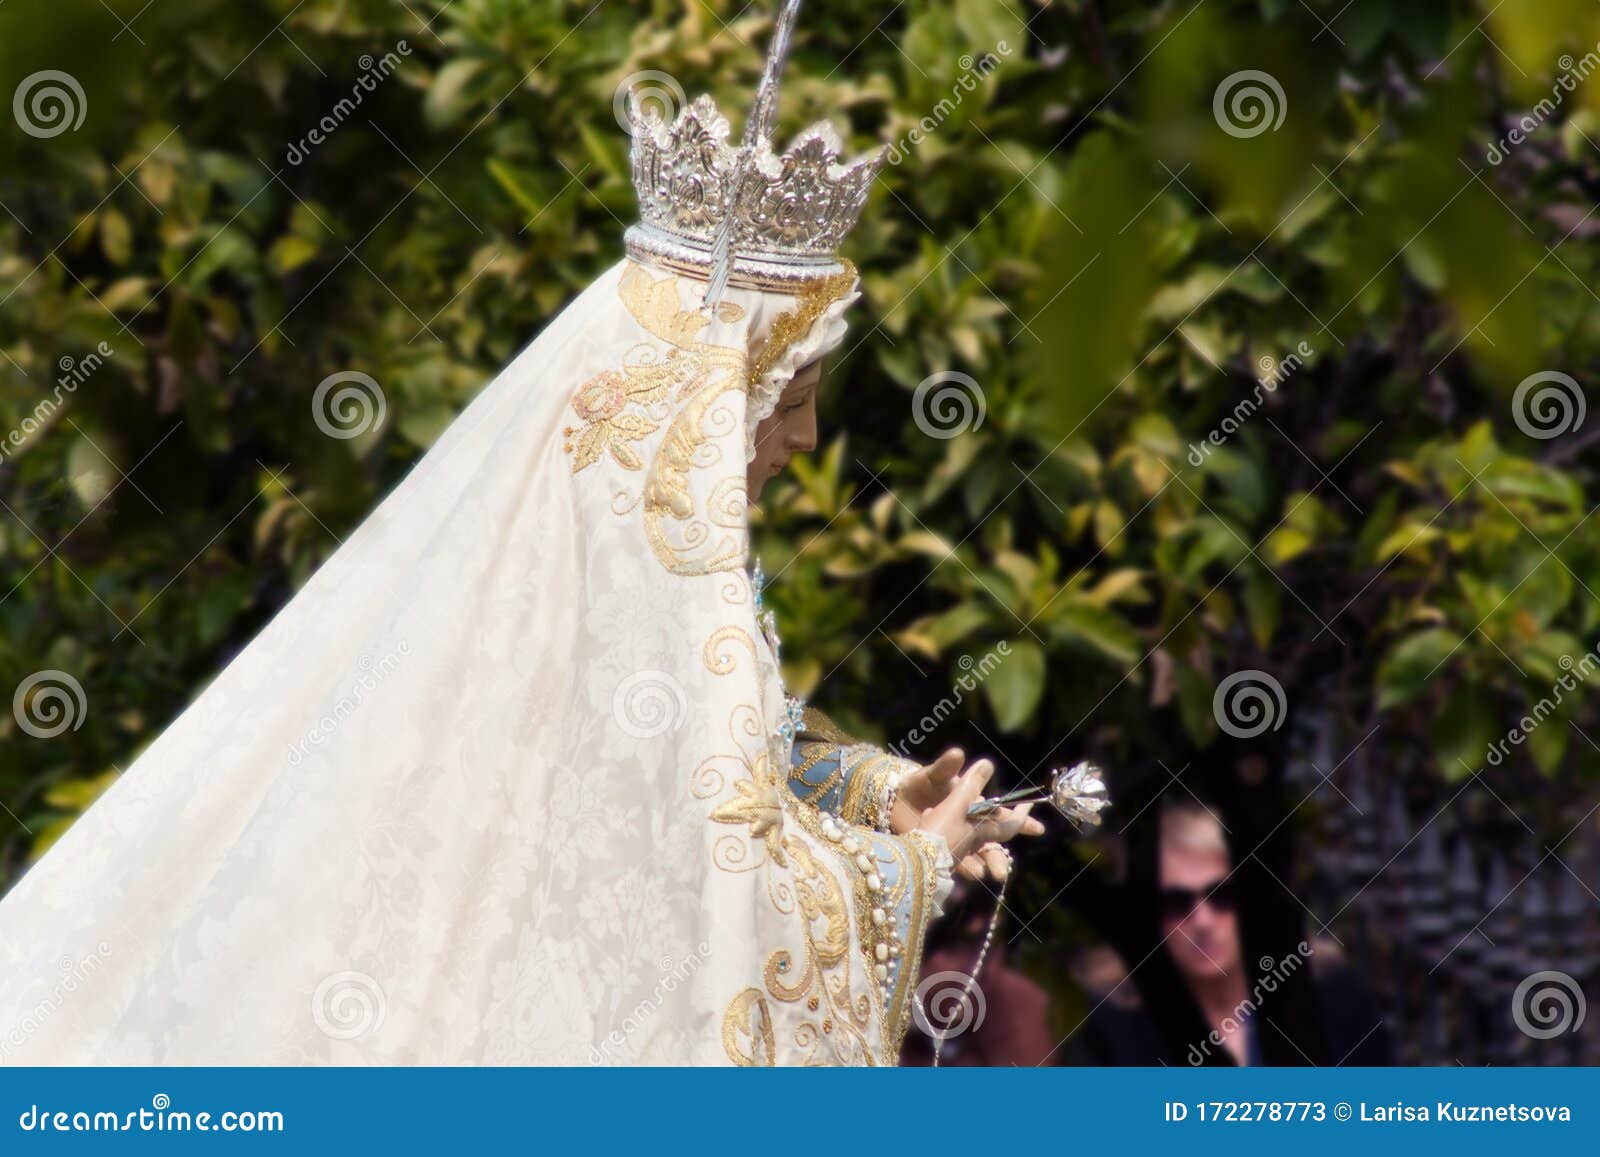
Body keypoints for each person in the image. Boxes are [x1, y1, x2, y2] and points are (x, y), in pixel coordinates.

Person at [0, 0, 1040, 1065]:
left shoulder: (628, 576)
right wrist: (910, 866)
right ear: (695, 408)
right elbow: (705, 889)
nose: (806, 433)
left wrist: (867, 786)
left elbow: (706, 765)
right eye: (785, 393)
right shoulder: (601, 574)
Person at [1070, 801, 1390, 1066]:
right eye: (1175, 903)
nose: (1203, 921)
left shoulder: (1335, 998)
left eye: (1222, 895)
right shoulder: (1108, 1024)